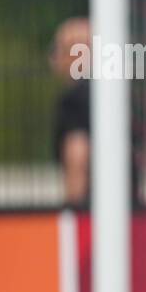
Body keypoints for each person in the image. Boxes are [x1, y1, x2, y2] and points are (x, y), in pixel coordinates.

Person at [50, 17, 92, 208]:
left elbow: (77, 153)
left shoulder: (75, 100)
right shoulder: (115, 96)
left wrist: (73, 210)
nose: (53, 58)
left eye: (58, 50)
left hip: (90, 212)